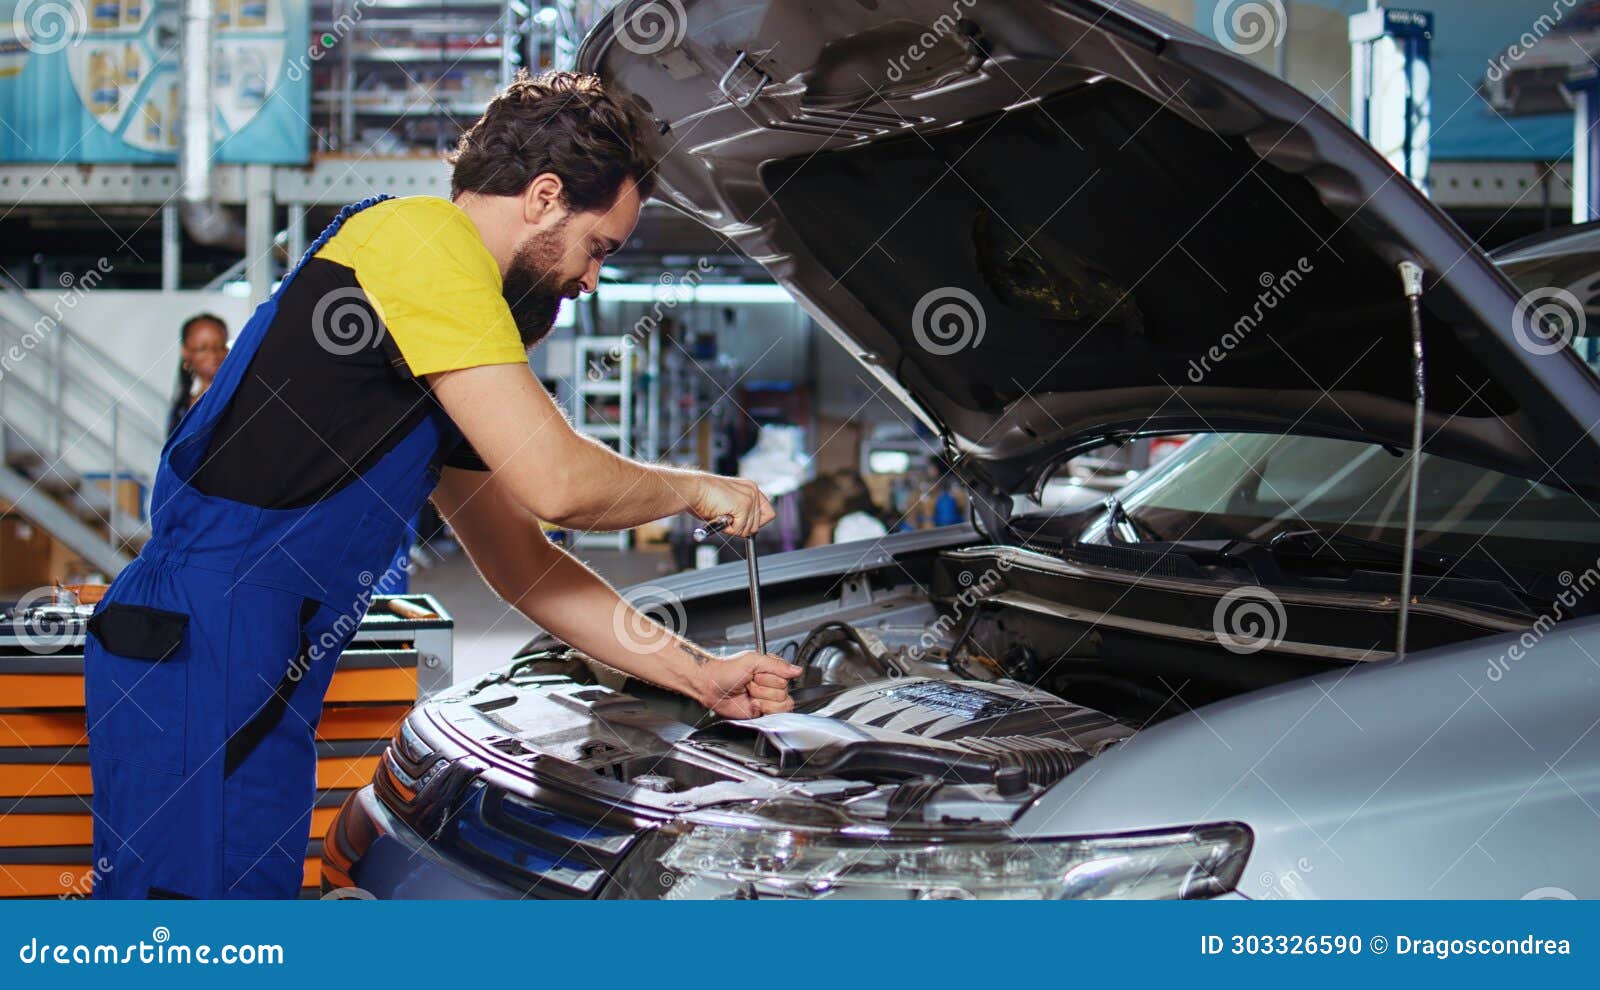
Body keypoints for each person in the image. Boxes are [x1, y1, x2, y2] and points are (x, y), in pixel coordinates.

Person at [82, 71, 801, 900]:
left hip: (256, 660)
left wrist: (698, 674)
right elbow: (559, 484)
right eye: (599, 247)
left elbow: (525, 565)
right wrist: (692, 488)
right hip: (203, 649)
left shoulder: (446, 326)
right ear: (544, 197)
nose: (592, 281)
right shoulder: (422, 244)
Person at [167, 313, 228, 436]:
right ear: (186, 352)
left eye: (220, 346)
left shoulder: (239, 398)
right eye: (203, 348)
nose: (214, 355)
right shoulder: (182, 408)